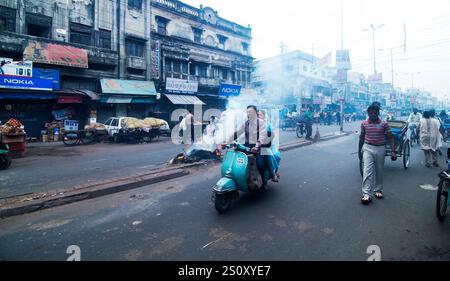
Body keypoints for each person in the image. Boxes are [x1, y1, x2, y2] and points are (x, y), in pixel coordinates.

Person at [359, 104, 397, 205]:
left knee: (379, 170)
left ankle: (378, 190)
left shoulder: (384, 124)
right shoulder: (364, 124)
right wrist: (359, 152)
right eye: (370, 113)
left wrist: (393, 151)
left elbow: (391, 137)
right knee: (367, 170)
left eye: (374, 113)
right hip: (367, 148)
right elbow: (361, 138)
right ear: (368, 113)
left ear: (378, 113)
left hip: (380, 148)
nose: (372, 115)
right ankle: (366, 194)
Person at [227, 105, 269, 175]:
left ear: (255, 112)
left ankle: (263, 183)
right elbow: (238, 132)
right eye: (247, 112)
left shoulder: (261, 122)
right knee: (237, 160)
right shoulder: (246, 123)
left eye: (250, 112)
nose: (248, 113)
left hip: (259, 147)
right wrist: (228, 140)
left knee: (260, 164)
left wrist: (256, 146)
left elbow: (262, 136)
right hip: (248, 146)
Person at [258, 110, 281, 182]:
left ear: (264, 116)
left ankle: (273, 173)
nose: (258, 116)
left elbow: (271, 136)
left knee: (274, 156)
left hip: (267, 145)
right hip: (256, 146)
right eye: (257, 115)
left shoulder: (267, 125)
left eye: (260, 115)